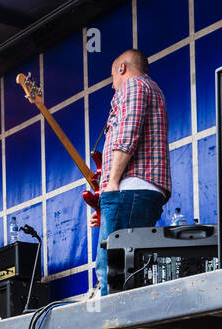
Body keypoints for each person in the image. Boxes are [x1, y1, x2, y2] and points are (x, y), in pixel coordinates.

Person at [92, 49, 171, 295]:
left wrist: (112, 184)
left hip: (130, 188)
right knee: (131, 271)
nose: (113, 87)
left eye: (112, 79)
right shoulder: (154, 90)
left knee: (110, 272)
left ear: (122, 69)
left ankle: (109, 326)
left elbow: (127, 132)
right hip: (142, 191)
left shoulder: (133, 86)